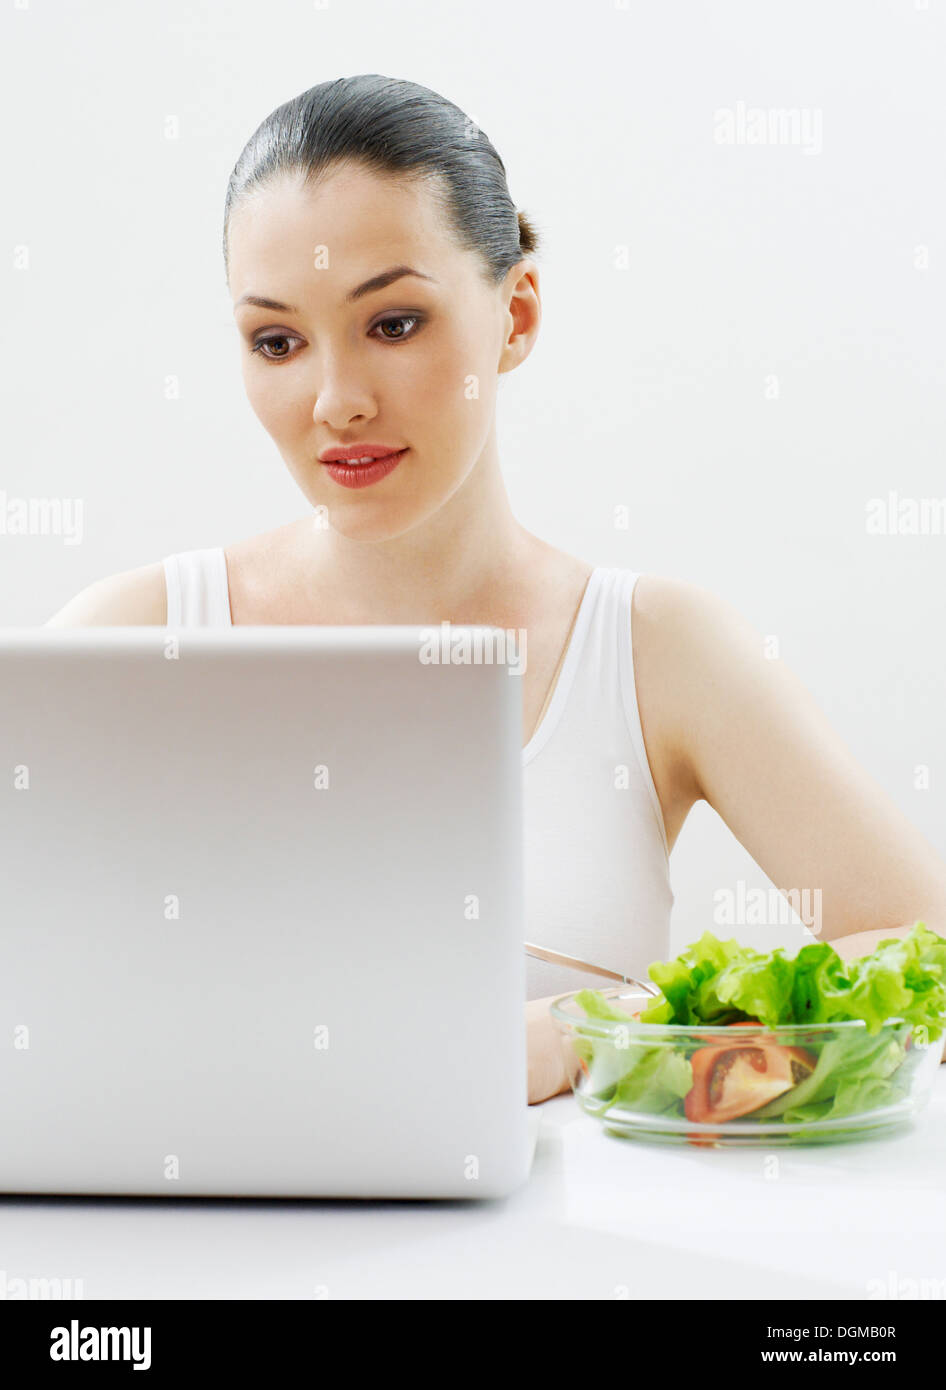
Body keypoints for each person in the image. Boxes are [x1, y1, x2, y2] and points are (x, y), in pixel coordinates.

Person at [47, 75, 946, 1100]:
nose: (336, 402)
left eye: (393, 323)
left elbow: (926, 953)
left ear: (515, 316)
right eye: (277, 342)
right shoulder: (129, 640)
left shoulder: (656, 649)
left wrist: (585, 1033)